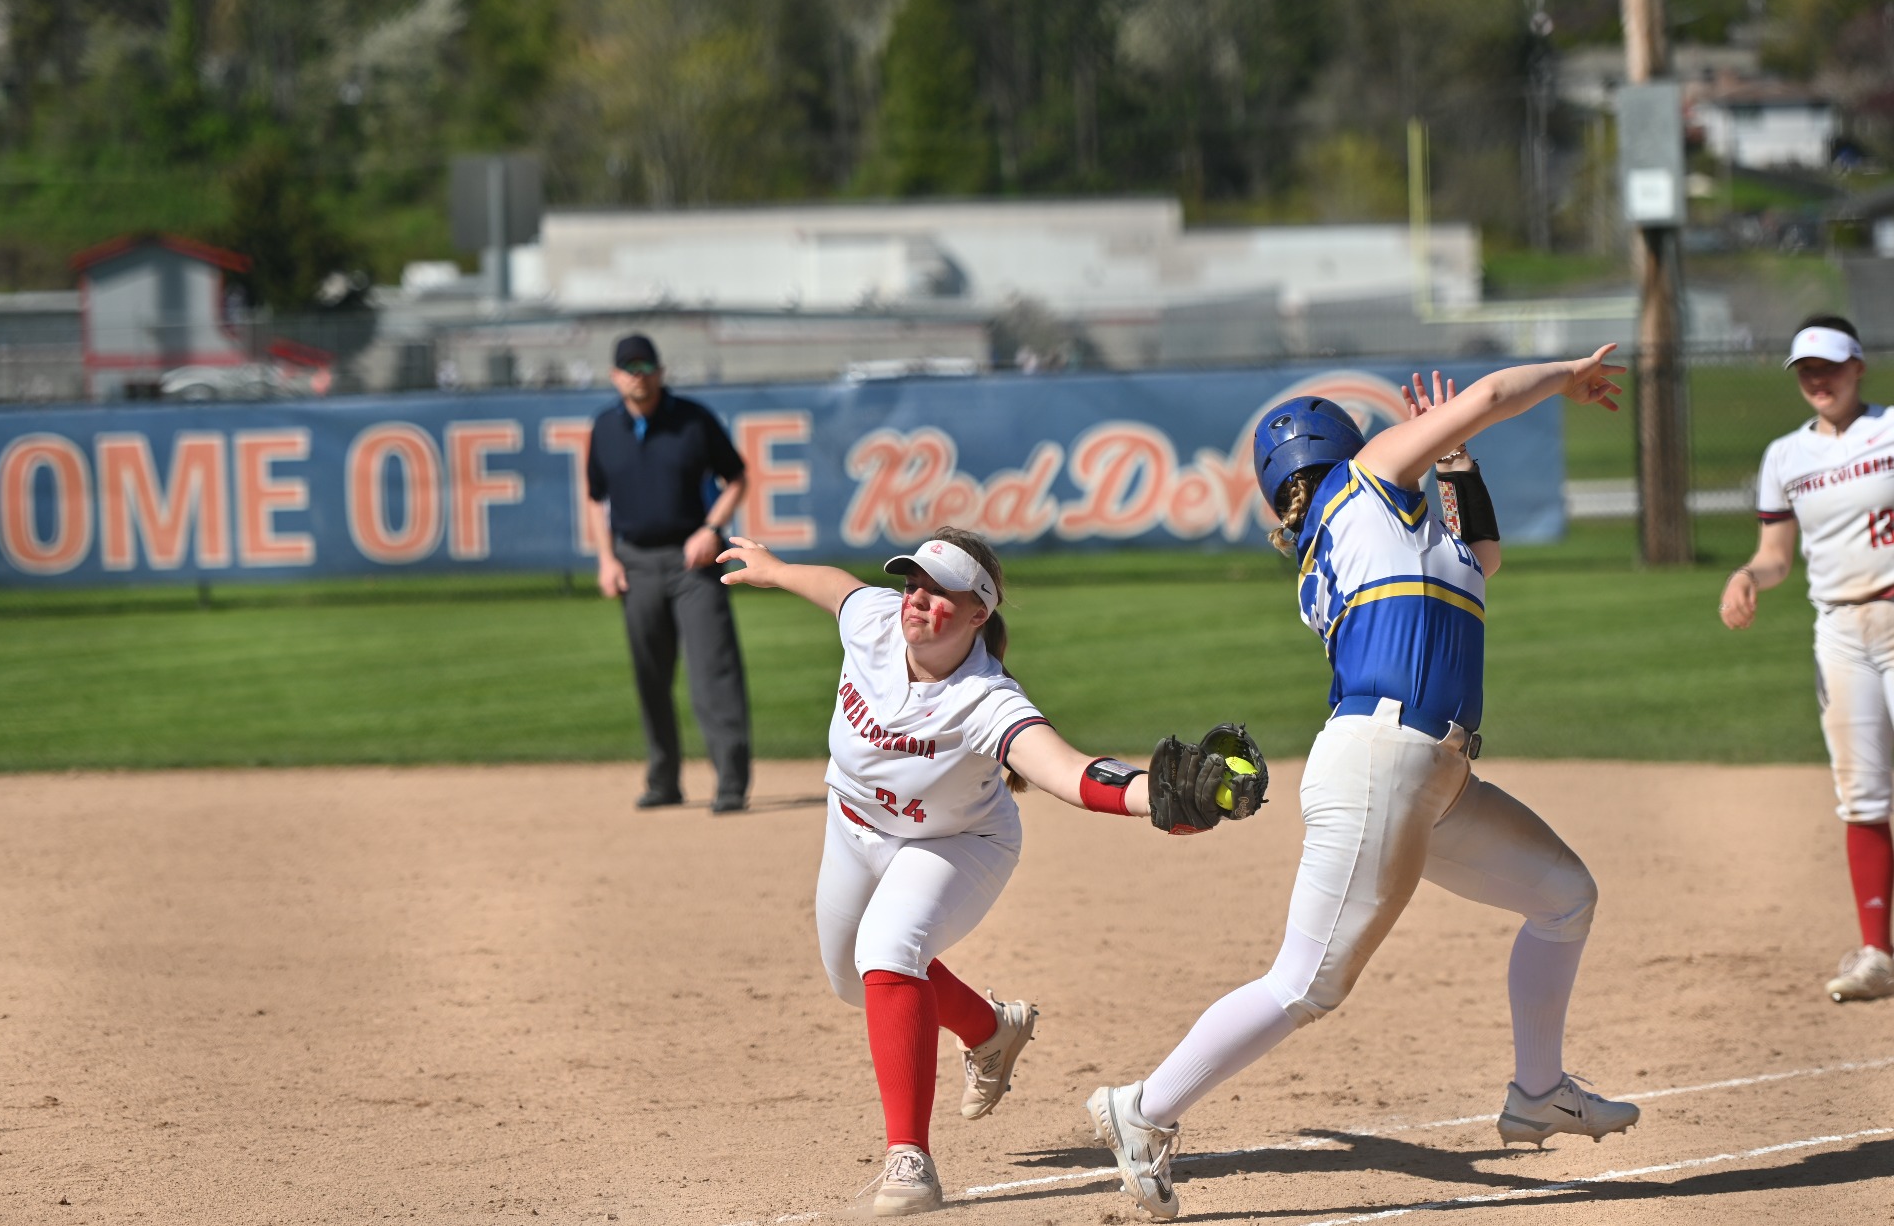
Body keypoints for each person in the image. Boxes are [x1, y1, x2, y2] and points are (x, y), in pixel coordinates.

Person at [1087, 349, 1638, 1220]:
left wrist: (1459, 465)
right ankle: (1142, 1110)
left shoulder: (1349, 536)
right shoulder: (1365, 481)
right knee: (1308, 984)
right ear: (1345, 449)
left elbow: (1480, 557)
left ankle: (1539, 1091)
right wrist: (1565, 376)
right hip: (1386, 761)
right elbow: (1492, 395)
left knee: (1564, 895)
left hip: (1433, 773)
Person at [719, 525, 1254, 1217]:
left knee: (888, 950)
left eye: (940, 592)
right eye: (913, 583)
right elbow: (836, 588)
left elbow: (1066, 770)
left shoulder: (986, 698)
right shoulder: (878, 621)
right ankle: (991, 1030)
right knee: (855, 982)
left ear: (979, 614)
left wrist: (1151, 790)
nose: (918, 600)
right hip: (854, 827)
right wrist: (773, 567)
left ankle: (909, 1164)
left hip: (956, 842)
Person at [1720, 316, 1894, 1003]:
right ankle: (1877, 953)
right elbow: (1775, 556)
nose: (1818, 379)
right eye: (1806, 370)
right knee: (1862, 794)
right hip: (1840, 630)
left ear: (1859, 367)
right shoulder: (1785, 456)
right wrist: (1746, 578)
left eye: (1830, 366)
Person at [587, 332, 753, 813]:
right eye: (628, 368)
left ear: (660, 371)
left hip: (693, 561)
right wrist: (605, 558)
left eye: (645, 367)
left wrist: (711, 527)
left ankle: (730, 781)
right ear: (615, 376)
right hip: (635, 561)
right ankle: (664, 779)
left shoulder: (692, 420)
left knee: (712, 671)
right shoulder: (604, 428)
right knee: (650, 674)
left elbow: (736, 477)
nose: (638, 376)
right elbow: (597, 499)